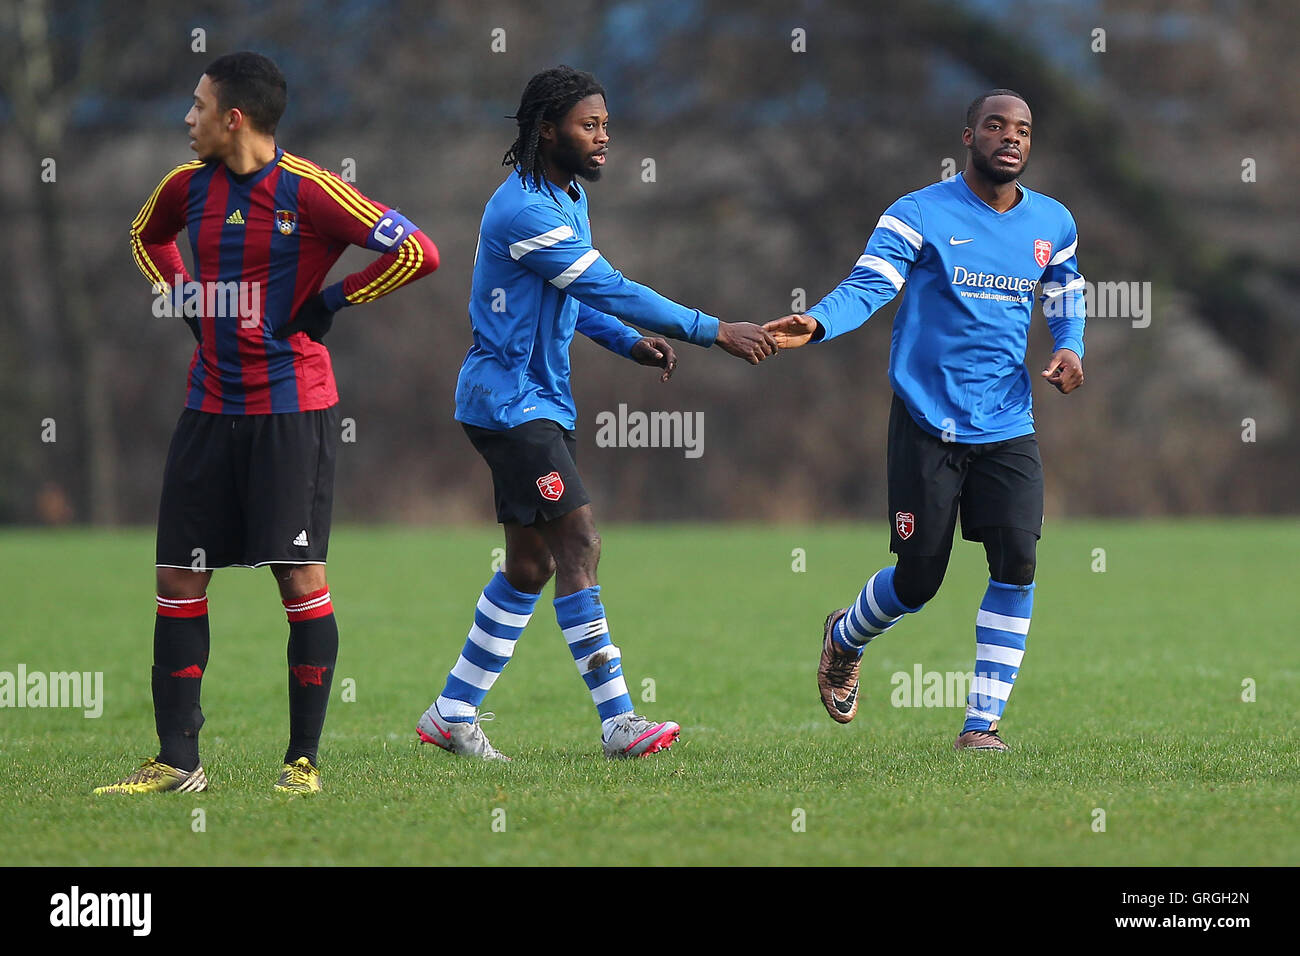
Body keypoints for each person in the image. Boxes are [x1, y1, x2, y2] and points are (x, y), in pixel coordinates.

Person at [97, 51, 439, 795]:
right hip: (208, 410)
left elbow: (418, 251)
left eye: (196, 106)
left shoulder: (311, 190)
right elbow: (144, 238)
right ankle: (177, 762)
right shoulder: (186, 188)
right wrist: (185, 298)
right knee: (178, 577)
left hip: (292, 414)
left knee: (299, 577)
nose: (186, 120)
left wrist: (332, 301)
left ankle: (301, 763)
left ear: (234, 118)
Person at [416, 65, 775, 760]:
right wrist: (713, 329)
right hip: (510, 405)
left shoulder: (566, 193)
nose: (605, 137)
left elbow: (576, 296)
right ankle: (619, 723)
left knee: (528, 566)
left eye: (607, 124)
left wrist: (628, 342)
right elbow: (607, 283)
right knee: (578, 542)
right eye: (591, 125)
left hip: (537, 402)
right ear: (546, 130)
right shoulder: (522, 208)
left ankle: (452, 710)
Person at [765, 90, 1085, 751]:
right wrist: (818, 320)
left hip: (1006, 422)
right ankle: (844, 636)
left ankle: (981, 726)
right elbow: (869, 284)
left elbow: (1064, 292)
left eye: (1022, 129)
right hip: (925, 421)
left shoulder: (1052, 223)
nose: (1010, 137)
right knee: (918, 580)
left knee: (1018, 563)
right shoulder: (917, 214)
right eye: (995, 125)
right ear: (967, 136)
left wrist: (1069, 345)